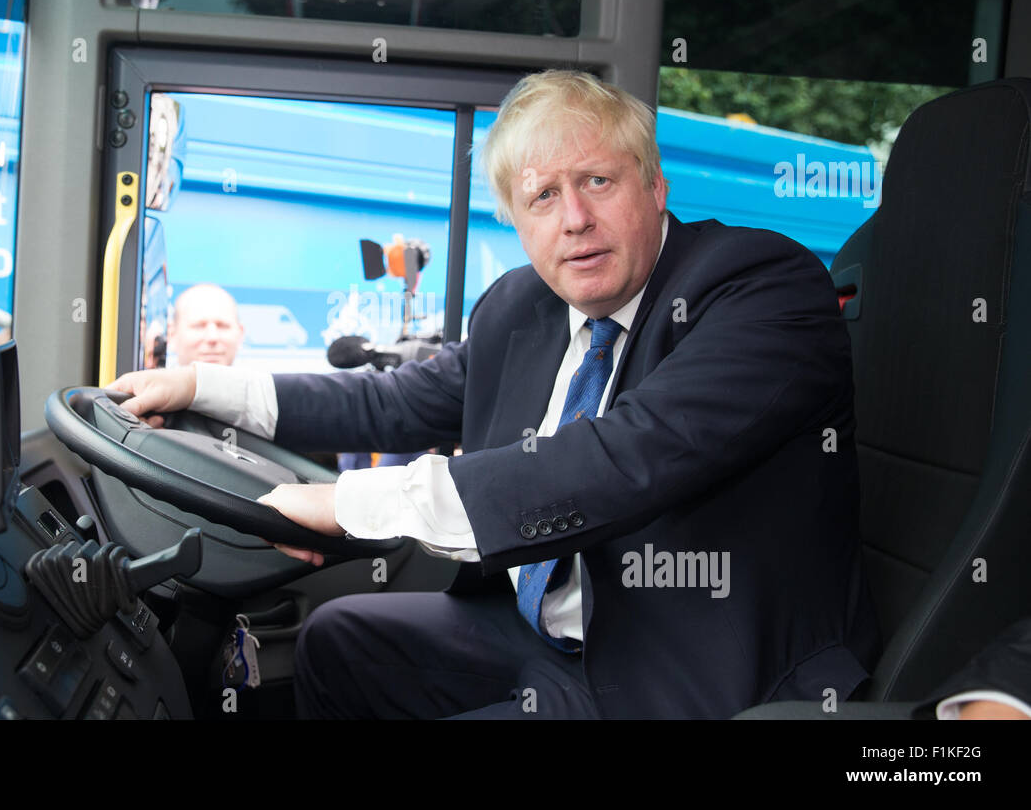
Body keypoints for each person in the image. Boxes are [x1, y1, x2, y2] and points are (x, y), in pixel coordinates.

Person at [110, 69, 880, 719]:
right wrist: (200, 385)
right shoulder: (525, 307)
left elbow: (623, 457)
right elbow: (394, 403)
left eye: (598, 182)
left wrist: (346, 501)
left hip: (686, 670)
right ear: (517, 222)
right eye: (542, 197)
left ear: (653, 186)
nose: (574, 219)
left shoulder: (759, 287)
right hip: (538, 633)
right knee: (338, 639)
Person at [166, 283, 244, 367]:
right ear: (171, 335)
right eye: (198, 326)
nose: (212, 337)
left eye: (222, 326)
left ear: (240, 335)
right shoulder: (153, 379)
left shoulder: (256, 379)